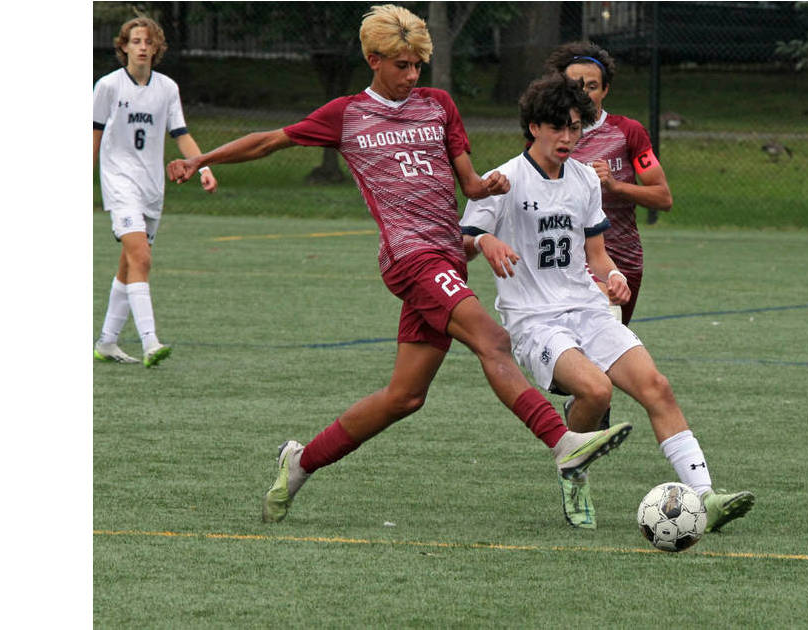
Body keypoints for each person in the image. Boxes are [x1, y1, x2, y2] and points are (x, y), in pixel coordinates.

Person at [165, 5, 632, 524]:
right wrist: (200, 159)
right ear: (374, 60)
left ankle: (300, 462)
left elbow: (471, 186)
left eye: (418, 66)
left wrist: (488, 190)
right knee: (492, 340)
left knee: (405, 397)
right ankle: (562, 439)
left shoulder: (438, 105)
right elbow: (269, 142)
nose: (413, 76)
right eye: (402, 65)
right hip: (409, 258)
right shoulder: (346, 114)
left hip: (447, 258)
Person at [460, 73, 753, 531]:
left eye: (576, 127)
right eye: (558, 127)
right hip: (535, 320)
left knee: (656, 386)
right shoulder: (505, 179)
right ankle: (572, 466)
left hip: (588, 308)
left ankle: (706, 498)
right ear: (533, 126)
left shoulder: (584, 180)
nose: (568, 137)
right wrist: (485, 244)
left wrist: (613, 276)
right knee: (596, 390)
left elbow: (596, 255)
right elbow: (464, 240)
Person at [93, 16, 217, 367]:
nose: (142, 47)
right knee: (142, 258)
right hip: (119, 183)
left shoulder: (167, 88)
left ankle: (107, 341)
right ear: (123, 47)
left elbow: (181, 135)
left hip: (151, 189)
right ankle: (150, 342)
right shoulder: (108, 87)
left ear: (157, 47)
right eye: (135, 41)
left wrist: (203, 166)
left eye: (148, 42)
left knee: (129, 263)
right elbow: (94, 137)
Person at [543, 41, 672, 327]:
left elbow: (663, 197)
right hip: (569, 258)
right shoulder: (547, 133)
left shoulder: (628, 132)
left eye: (592, 85)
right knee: (576, 349)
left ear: (605, 90)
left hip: (622, 258)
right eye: (575, 85)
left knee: (611, 351)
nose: (583, 93)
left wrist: (615, 186)